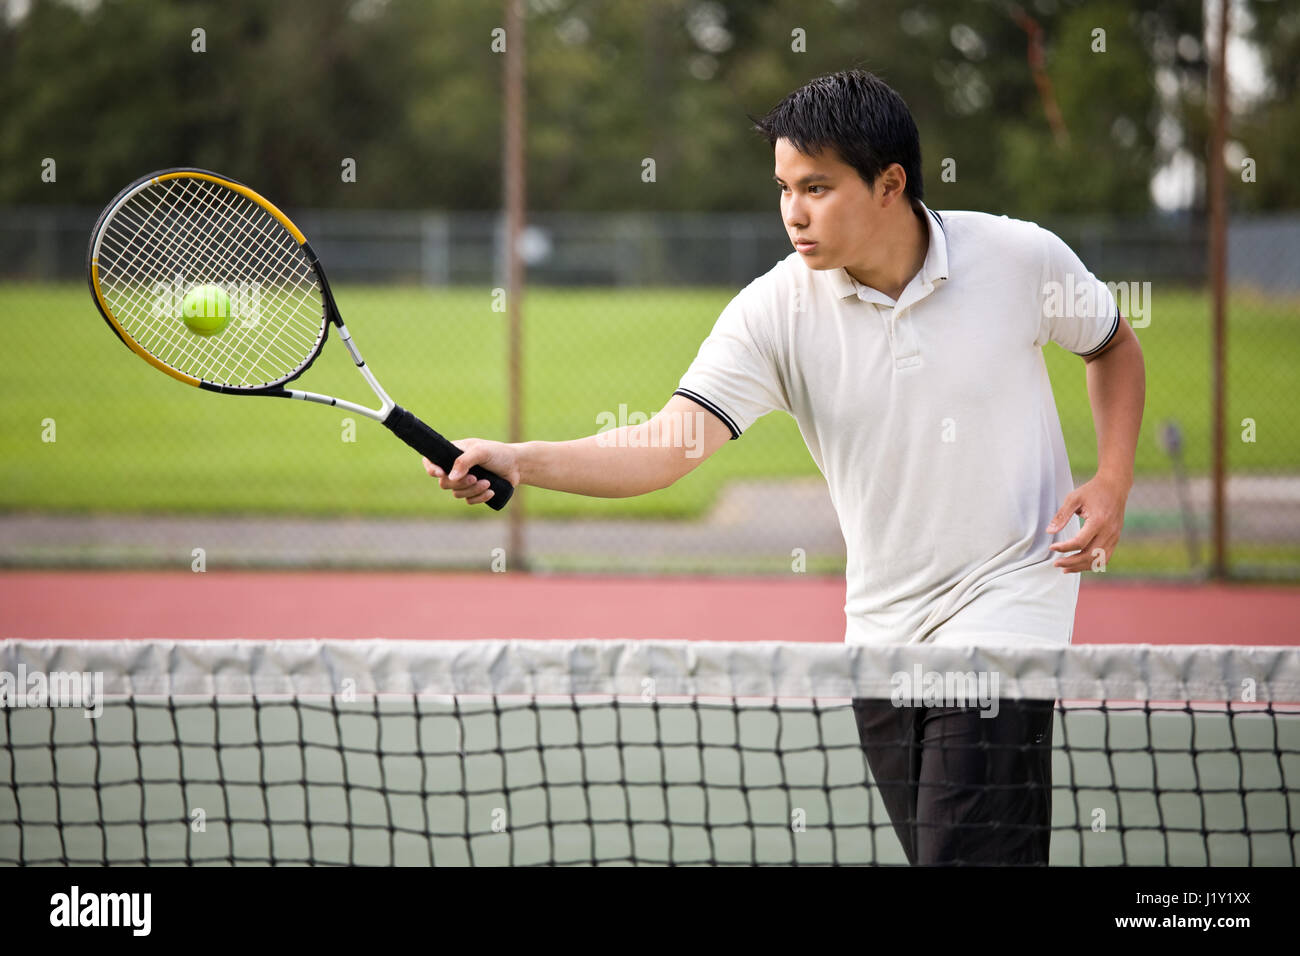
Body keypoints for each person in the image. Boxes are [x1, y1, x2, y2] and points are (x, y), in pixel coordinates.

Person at [422, 69, 1146, 865]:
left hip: (1010, 597)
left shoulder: (1018, 257)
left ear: (889, 184)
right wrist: (518, 460)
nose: (792, 212)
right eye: (783, 188)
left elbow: (1111, 344)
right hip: (880, 626)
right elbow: (668, 447)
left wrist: (1111, 479)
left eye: (816, 187)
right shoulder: (773, 311)